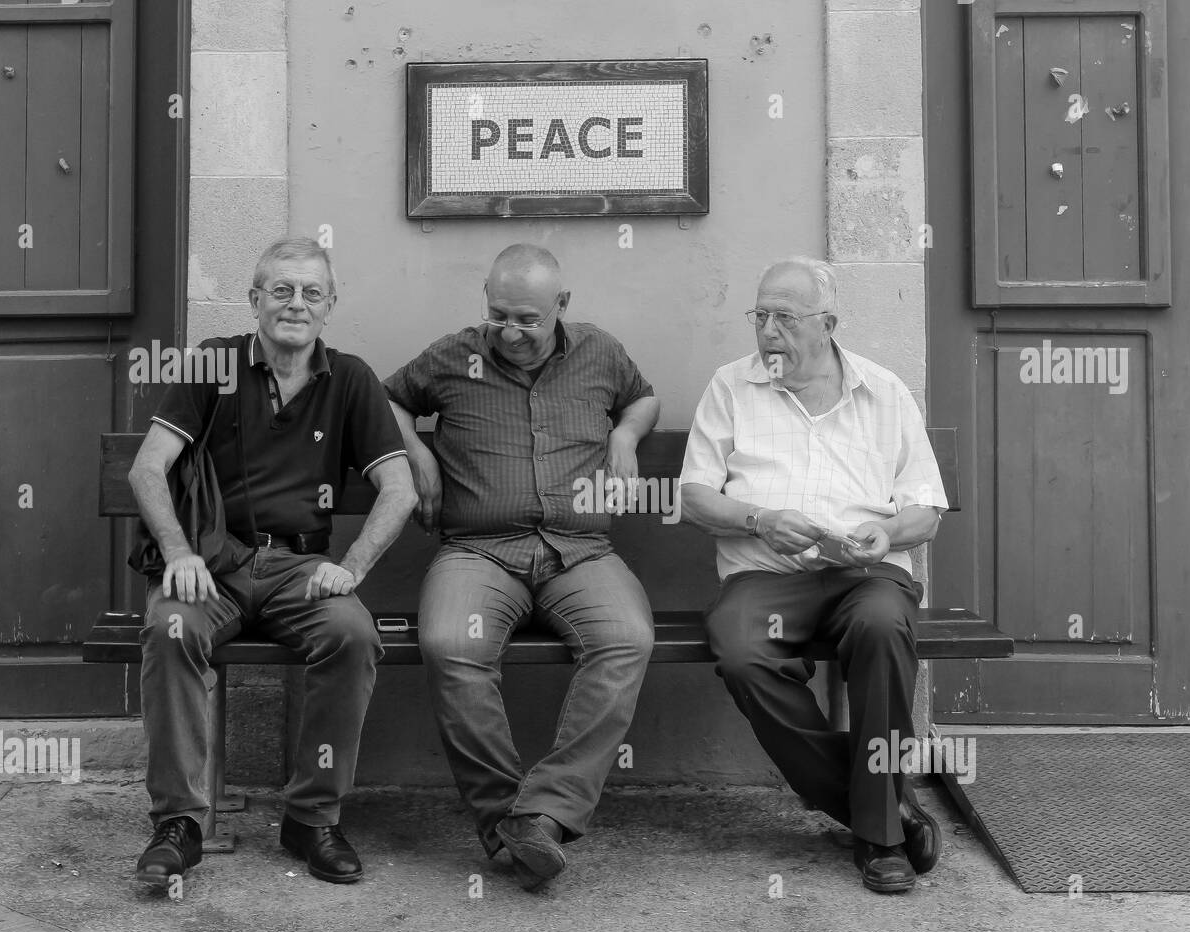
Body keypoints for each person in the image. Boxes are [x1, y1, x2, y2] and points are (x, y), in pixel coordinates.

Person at [128, 238, 417, 887]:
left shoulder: (350, 378)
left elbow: (400, 489)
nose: (295, 303)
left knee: (352, 632)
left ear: (330, 305)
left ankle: (311, 815)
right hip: (212, 561)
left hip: (298, 569)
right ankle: (179, 822)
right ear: (255, 298)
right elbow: (148, 467)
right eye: (280, 289)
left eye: (311, 291)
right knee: (170, 627)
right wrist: (177, 552)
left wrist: (354, 566)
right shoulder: (215, 364)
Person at [385, 244, 659, 890]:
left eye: (528, 319)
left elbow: (643, 398)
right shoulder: (453, 355)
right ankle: (505, 816)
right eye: (499, 314)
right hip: (479, 550)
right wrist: (418, 454)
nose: (510, 331)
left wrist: (624, 434)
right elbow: (388, 399)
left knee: (627, 639)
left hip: (580, 551)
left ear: (562, 305)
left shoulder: (600, 352)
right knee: (452, 644)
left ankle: (543, 813)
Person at [679, 257, 948, 894]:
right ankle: (881, 806)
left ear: (827, 324)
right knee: (743, 652)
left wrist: (888, 532)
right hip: (766, 577)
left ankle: (880, 841)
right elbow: (693, 496)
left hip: (866, 575)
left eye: (784, 318)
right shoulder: (731, 386)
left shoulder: (883, 391)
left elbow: (926, 508)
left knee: (883, 628)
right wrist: (757, 519)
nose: (768, 331)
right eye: (759, 316)